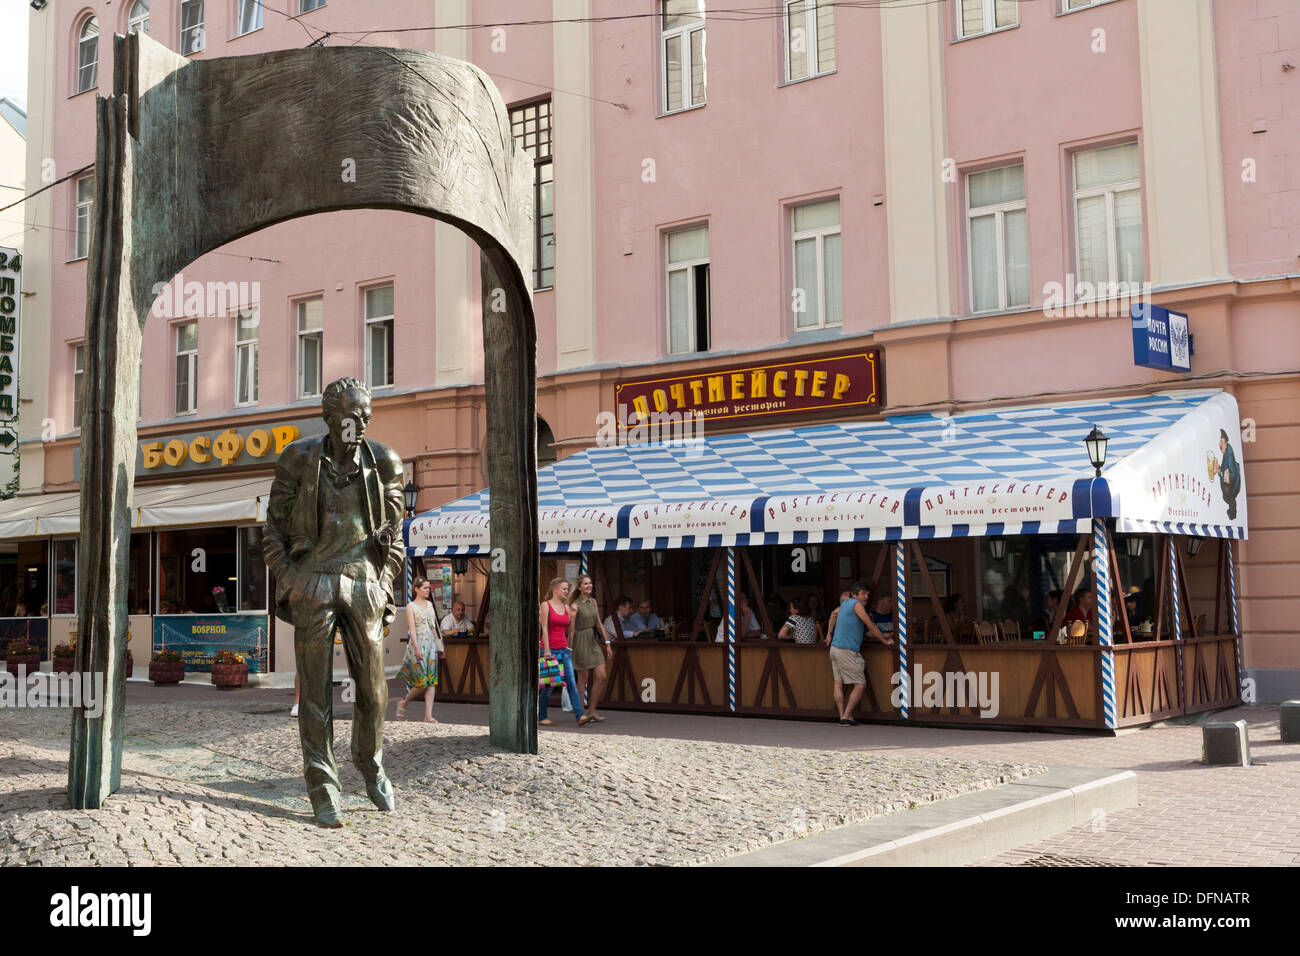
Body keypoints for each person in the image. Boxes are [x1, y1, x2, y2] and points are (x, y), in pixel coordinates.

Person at [264, 376, 405, 828]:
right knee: (316, 693)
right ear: (329, 418)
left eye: (366, 417)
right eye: (351, 417)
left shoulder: (384, 462)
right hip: (314, 580)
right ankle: (323, 787)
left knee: (373, 690)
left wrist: (383, 582)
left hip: (364, 582)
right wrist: (291, 581)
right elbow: (273, 532)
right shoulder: (299, 458)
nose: (359, 425)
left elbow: (396, 536)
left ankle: (370, 761)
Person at [828, 582, 892, 725]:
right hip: (847, 650)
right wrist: (884, 641)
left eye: (867, 594)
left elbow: (833, 614)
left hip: (834, 649)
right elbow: (870, 624)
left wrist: (829, 634)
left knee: (838, 683)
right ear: (855, 595)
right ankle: (846, 716)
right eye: (863, 593)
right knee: (860, 685)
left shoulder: (845, 604)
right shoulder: (857, 605)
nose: (866, 596)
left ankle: (843, 716)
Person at [539, 577, 589, 727]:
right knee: (549, 685)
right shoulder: (545, 605)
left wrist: (572, 617)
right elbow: (544, 629)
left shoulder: (567, 608)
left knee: (571, 683)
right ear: (555, 590)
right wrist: (546, 650)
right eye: (564, 589)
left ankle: (580, 716)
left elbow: (569, 631)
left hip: (564, 648)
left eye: (567, 589)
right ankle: (542, 716)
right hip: (549, 649)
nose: (567, 591)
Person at [396, 576, 444, 722]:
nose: (428, 590)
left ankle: (428, 716)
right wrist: (417, 648)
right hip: (419, 643)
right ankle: (403, 702)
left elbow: (433, 626)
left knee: (431, 681)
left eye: (429, 588)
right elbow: (412, 629)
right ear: (417, 589)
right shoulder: (411, 607)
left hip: (430, 644)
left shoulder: (429, 605)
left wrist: (439, 646)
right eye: (425, 588)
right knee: (421, 682)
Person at [569, 574, 613, 723]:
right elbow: (572, 628)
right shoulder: (574, 605)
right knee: (583, 678)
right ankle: (580, 713)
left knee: (601, 675)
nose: (589, 586)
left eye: (590, 583)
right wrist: (569, 647)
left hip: (593, 640)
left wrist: (607, 643)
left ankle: (592, 710)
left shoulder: (593, 601)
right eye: (586, 584)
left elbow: (599, 623)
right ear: (580, 587)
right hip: (580, 640)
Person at [1216, 429, 1241, 520]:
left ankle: (1233, 514)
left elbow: (1231, 473)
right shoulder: (1227, 453)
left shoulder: (1229, 455)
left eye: (1222, 442)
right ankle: (1232, 513)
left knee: (1229, 496)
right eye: (1220, 442)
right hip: (1229, 484)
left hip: (1231, 485)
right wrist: (1218, 469)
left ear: (1226, 443)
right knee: (1227, 496)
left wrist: (1227, 477)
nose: (1220, 445)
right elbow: (1223, 472)